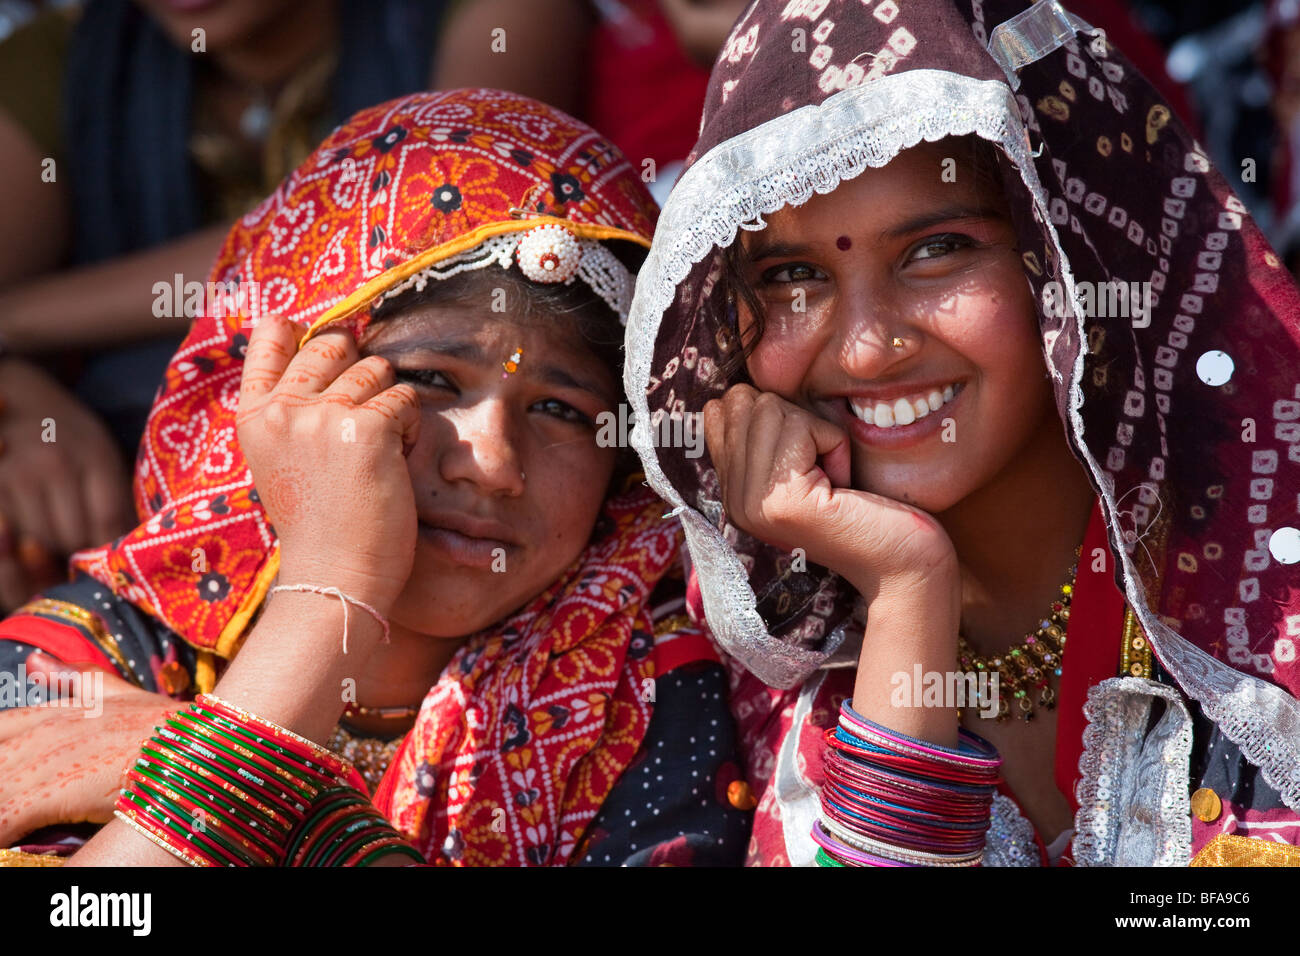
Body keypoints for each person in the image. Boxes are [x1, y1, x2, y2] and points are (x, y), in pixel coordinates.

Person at [623, 0, 1300, 866]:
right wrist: (906, 588)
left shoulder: (1262, 588)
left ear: (1067, 261)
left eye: (936, 250)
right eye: (793, 276)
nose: (867, 347)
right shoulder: (763, 669)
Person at [0, 88, 750, 866]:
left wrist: (285, 805)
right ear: (286, 389)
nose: (491, 462)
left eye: (561, 410)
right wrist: (329, 595)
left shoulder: (640, 705)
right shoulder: (100, 652)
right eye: (429, 381)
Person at [0, 0, 450, 611]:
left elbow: (416, 210)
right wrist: (19, 395)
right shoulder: (64, 63)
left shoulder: (478, 22)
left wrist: (15, 325)